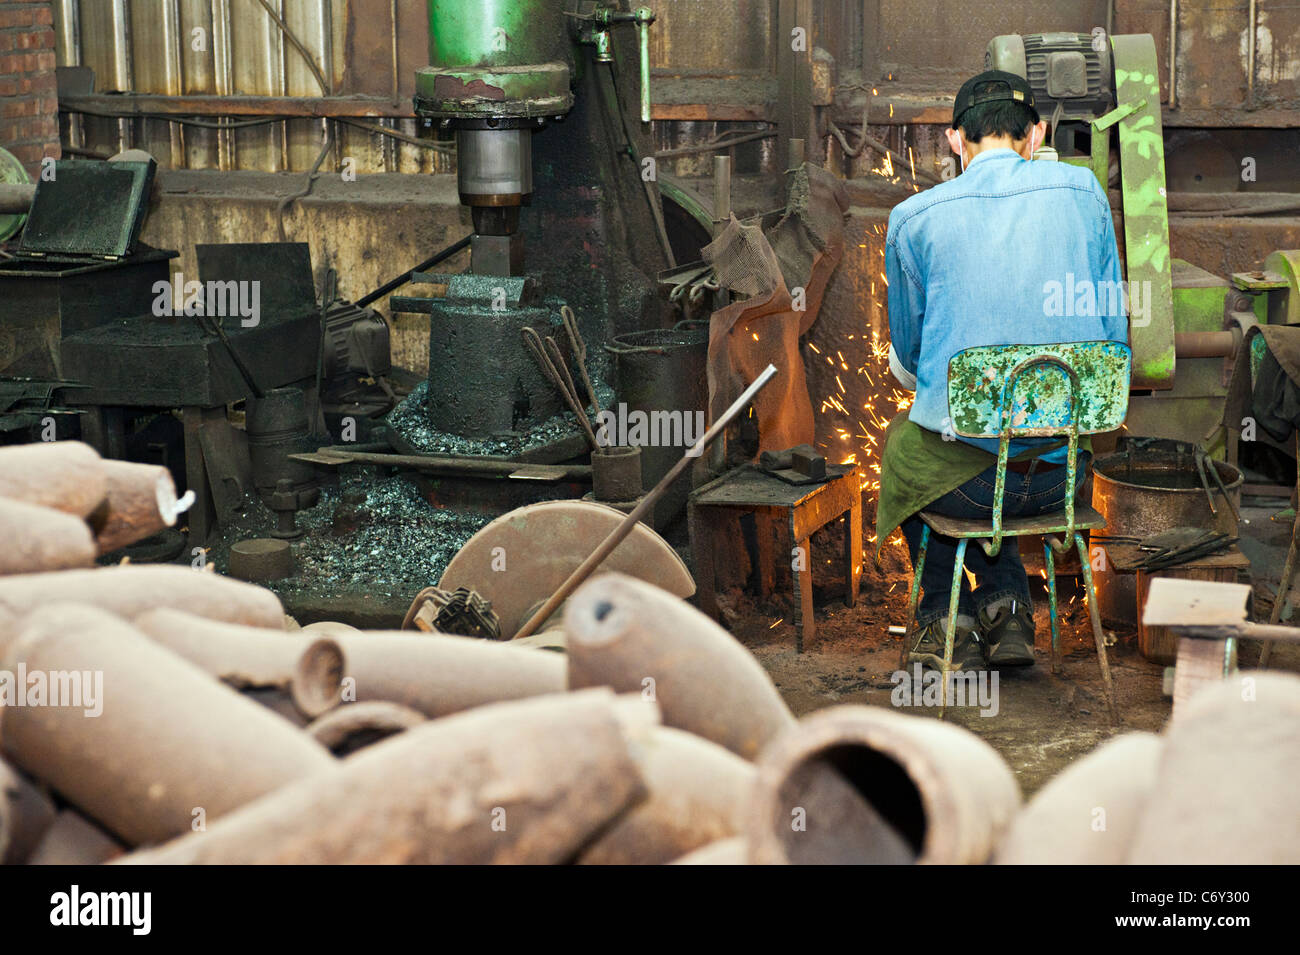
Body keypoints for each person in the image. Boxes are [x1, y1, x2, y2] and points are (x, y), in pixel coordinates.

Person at [877, 70, 1127, 671]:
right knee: (1008, 455)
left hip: (969, 494)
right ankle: (1007, 609)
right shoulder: (1086, 193)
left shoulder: (913, 218)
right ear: (1036, 134)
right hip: (1062, 483)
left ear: (955, 141)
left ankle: (944, 615)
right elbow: (1115, 338)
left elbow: (909, 357)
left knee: (905, 453)